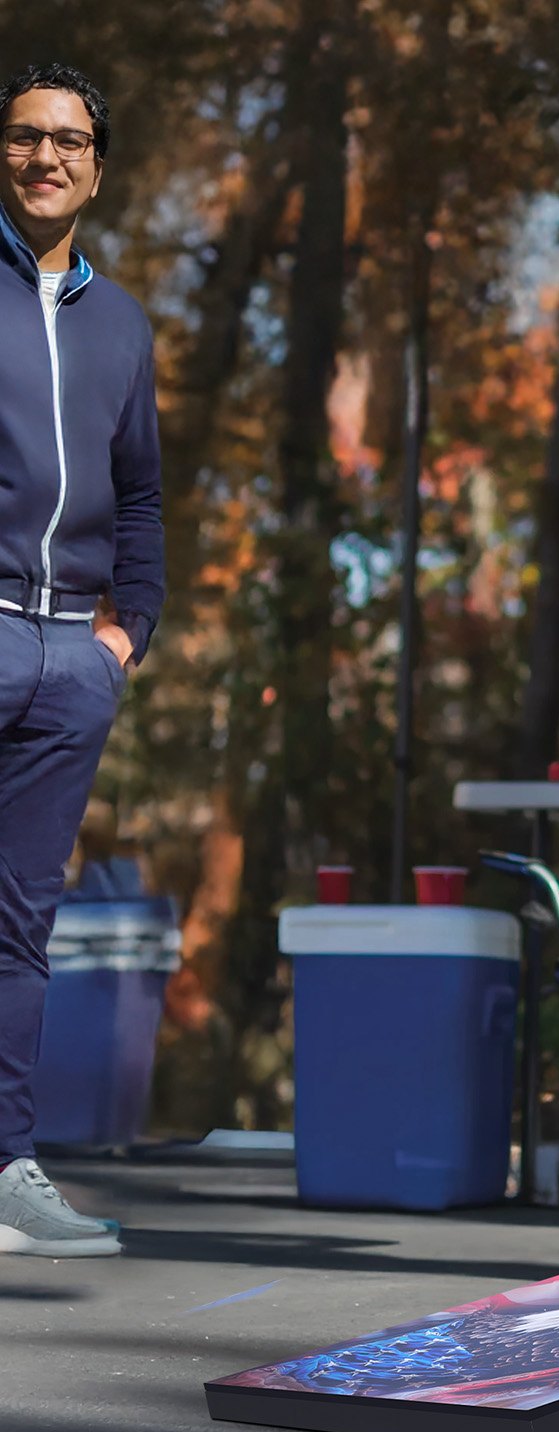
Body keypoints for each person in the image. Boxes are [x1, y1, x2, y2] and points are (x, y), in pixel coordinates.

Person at [0, 64, 164, 1258]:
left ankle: (5, 1167)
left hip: (71, 659)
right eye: (23, 137)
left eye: (67, 140)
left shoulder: (122, 323)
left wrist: (125, 634)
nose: (45, 157)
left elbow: (144, 495)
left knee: (21, 925)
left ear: (97, 166)